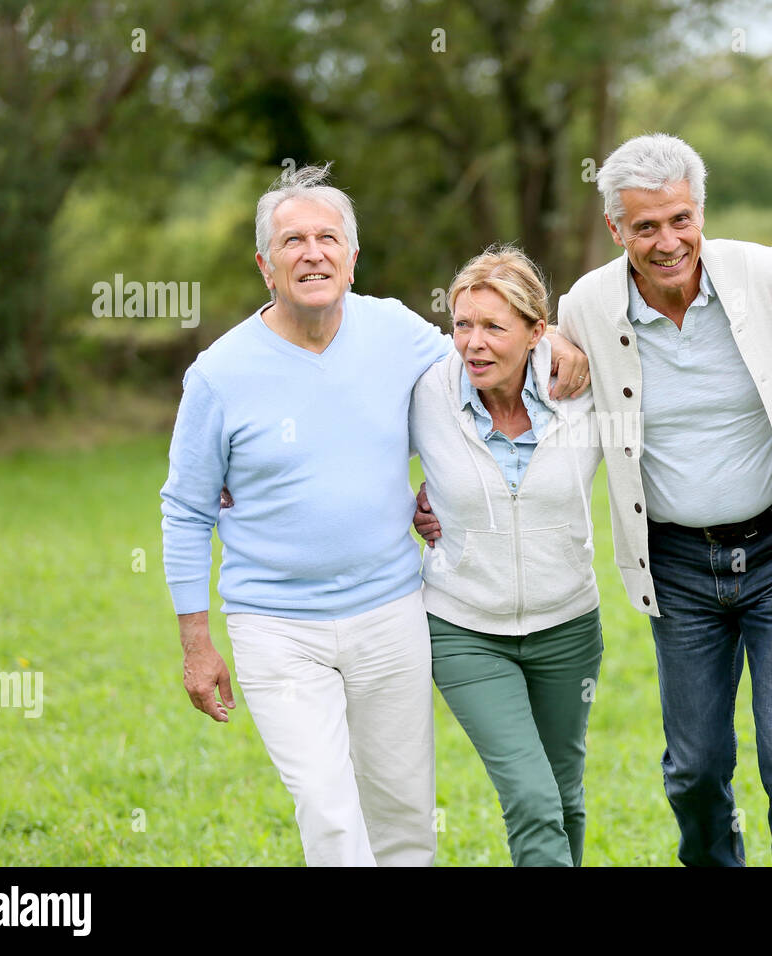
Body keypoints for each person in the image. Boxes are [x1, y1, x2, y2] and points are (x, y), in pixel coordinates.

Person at [418, 134, 772, 867]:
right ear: (616, 230)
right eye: (645, 226)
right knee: (695, 770)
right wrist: (448, 481)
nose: (668, 241)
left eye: (681, 219)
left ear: (699, 211)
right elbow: (521, 357)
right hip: (676, 567)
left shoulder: (765, 275)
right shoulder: (587, 307)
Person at [159, 164, 588, 867]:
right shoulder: (219, 373)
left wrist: (559, 341)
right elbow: (184, 508)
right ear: (266, 265)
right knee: (329, 814)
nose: (312, 252)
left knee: (405, 818)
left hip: (391, 612)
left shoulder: (396, 333)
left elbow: (482, 360)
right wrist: (194, 643)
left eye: (328, 237)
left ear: (352, 258)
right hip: (275, 625)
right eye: (292, 241)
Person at [409, 245, 602, 866]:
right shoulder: (426, 390)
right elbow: (342, 432)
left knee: (565, 797)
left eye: (494, 326)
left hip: (569, 626)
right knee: (532, 798)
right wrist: (234, 472)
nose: (474, 343)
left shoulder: (583, 387)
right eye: (463, 324)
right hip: (465, 627)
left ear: (536, 331)